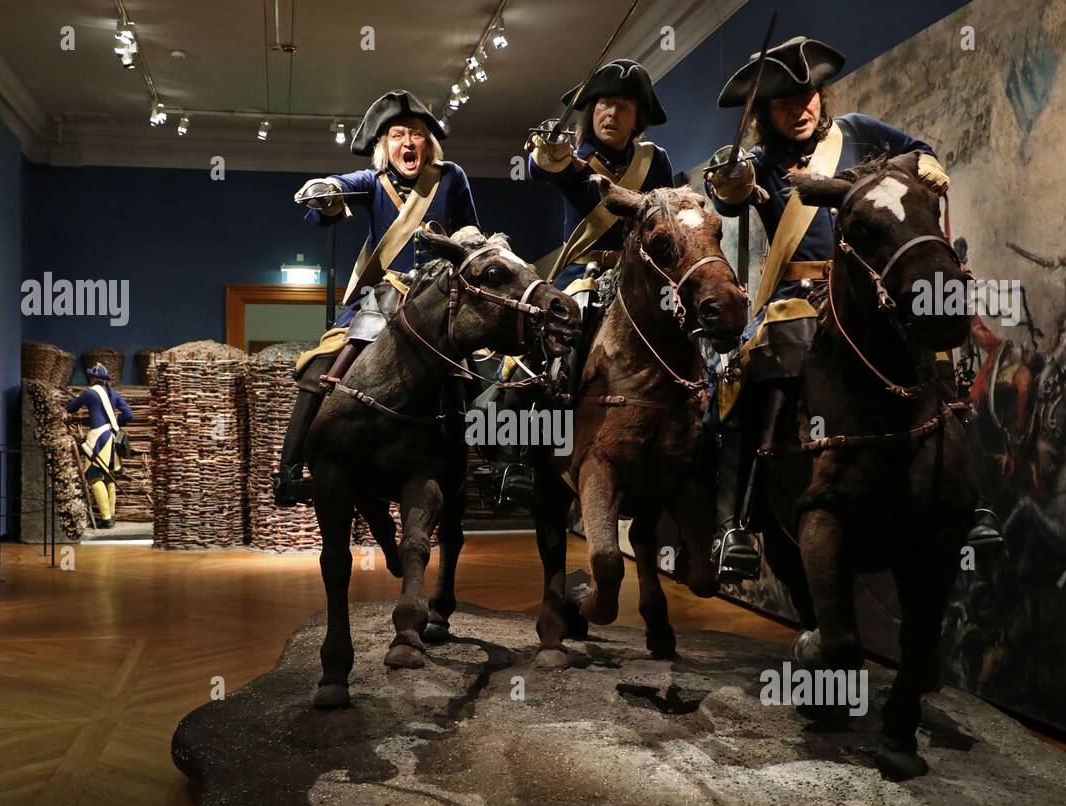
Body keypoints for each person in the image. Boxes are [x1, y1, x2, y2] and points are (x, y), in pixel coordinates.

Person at [702, 35, 1003, 581]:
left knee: (940, 360)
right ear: (765, 113)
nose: (799, 109)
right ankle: (735, 521)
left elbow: (915, 147)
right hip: (797, 298)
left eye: (807, 96)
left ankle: (975, 501)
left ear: (821, 94)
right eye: (783, 102)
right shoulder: (759, 163)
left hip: (868, 288)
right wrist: (728, 182)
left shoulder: (858, 131)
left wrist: (927, 161)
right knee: (748, 381)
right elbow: (728, 192)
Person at [274, 89, 480, 505]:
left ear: (428, 143)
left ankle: (493, 463)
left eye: (416, 133)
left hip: (441, 298)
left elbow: (471, 231)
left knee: (484, 368)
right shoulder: (372, 182)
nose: (408, 142)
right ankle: (290, 469)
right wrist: (326, 189)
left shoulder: (450, 176)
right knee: (320, 367)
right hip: (385, 295)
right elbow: (339, 188)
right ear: (385, 145)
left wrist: (465, 245)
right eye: (398, 135)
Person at [492, 59, 673, 506]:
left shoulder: (655, 160)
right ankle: (517, 455)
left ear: (638, 116)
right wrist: (549, 146)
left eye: (624, 106)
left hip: (639, 278)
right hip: (585, 277)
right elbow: (542, 166)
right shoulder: (570, 159)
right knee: (548, 355)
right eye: (604, 104)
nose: (612, 114)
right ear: (590, 112)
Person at [64, 363, 133, 529]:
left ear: (94, 378)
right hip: (112, 438)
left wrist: (64, 409)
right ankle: (111, 515)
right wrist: (116, 423)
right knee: (109, 477)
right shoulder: (113, 394)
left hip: (99, 439)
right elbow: (129, 414)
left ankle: (106, 518)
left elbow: (71, 408)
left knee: (95, 478)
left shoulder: (90, 393)